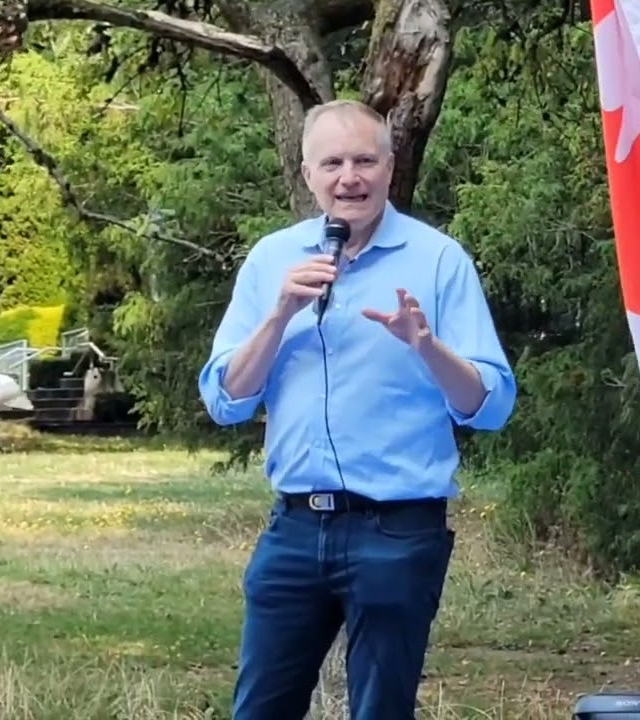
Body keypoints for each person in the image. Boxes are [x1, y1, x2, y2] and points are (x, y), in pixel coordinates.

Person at [198, 99, 517, 719]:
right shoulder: (272, 260)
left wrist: (427, 347)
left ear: (390, 168)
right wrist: (279, 315)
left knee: (381, 709)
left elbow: (491, 405)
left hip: (397, 530)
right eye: (334, 162)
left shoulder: (439, 260)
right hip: (294, 530)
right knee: (259, 708)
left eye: (365, 160)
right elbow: (225, 401)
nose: (351, 177)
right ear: (308, 172)